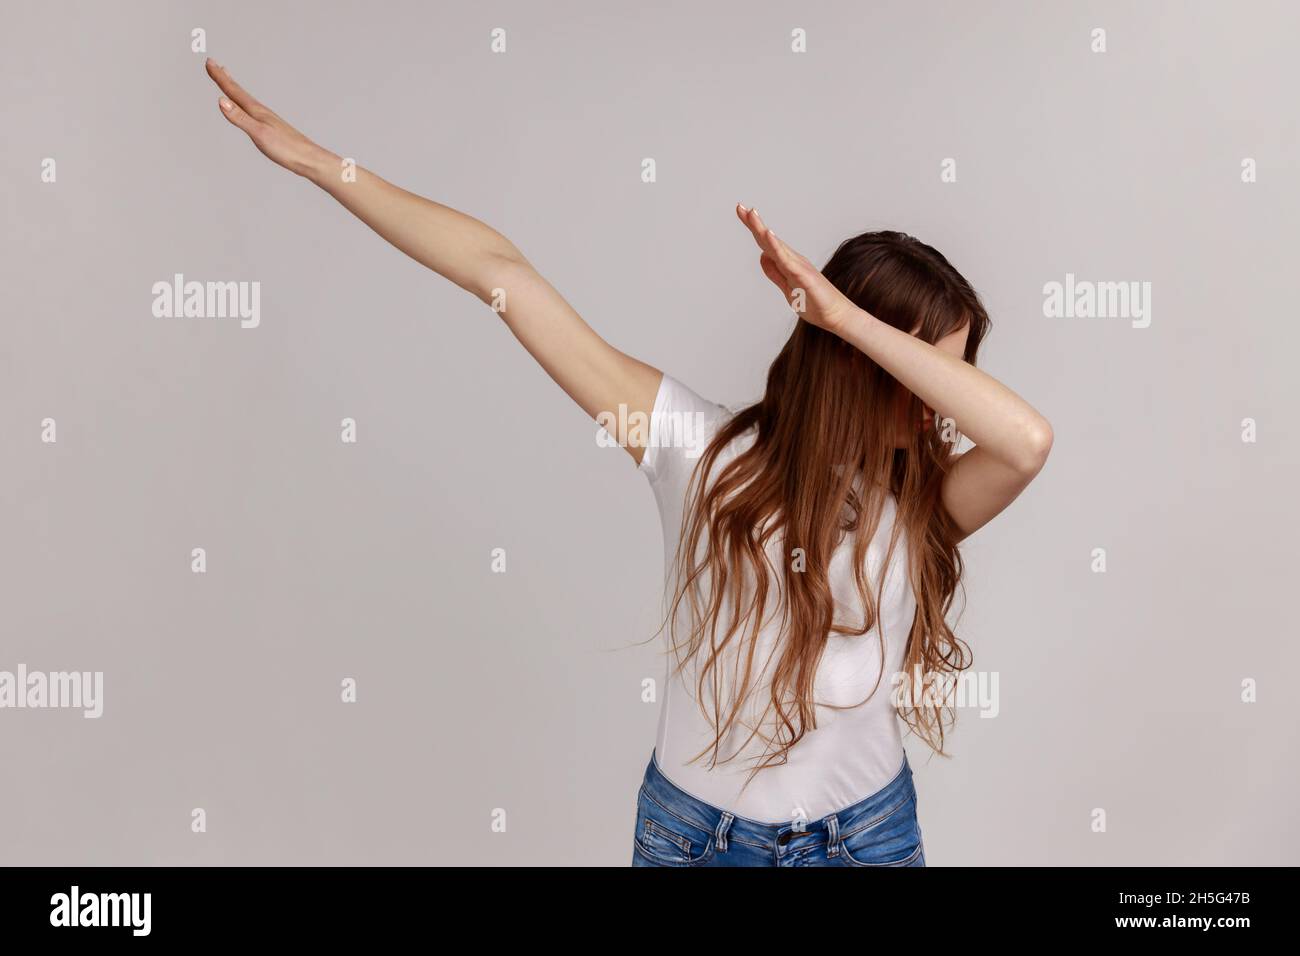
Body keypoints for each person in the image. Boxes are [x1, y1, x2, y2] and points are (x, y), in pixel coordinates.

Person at [205, 59, 1053, 867]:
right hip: (697, 842)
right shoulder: (700, 450)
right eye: (930, 370)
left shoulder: (929, 500)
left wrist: (846, 319)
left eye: (952, 373)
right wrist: (319, 163)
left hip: (868, 837)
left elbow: (1028, 441)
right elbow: (504, 275)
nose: (946, 401)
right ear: (854, 366)